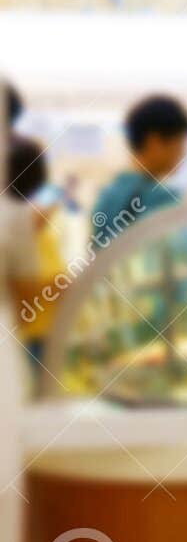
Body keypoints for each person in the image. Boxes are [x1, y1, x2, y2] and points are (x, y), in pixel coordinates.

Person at [91, 93, 187, 251]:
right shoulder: (161, 199)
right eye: (180, 143)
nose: (183, 153)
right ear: (154, 142)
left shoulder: (106, 198)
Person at [6, 135, 64, 371]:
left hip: (45, 326)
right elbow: (20, 288)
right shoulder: (21, 221)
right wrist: (60, 285)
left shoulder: (30, 215)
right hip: (31, 332)